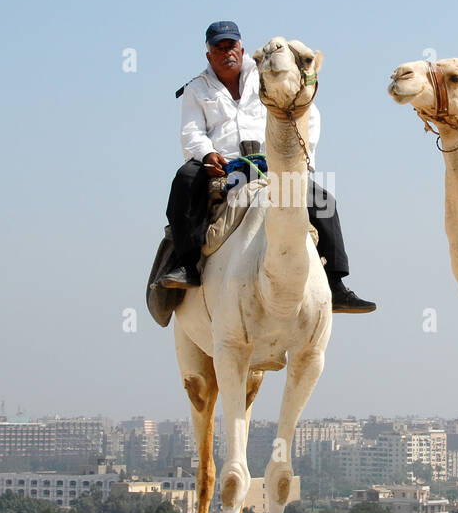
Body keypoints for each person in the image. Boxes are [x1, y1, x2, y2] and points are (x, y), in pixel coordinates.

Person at [158, 20, 376, 313]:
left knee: (324, 199)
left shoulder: (266, 73)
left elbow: (305, 109)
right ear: (209, 55)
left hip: (270, 164)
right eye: (219, 48)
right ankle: (186, 265)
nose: (227, 53)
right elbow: (192, 132)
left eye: (231, 46)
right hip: (222, 165)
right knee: (184, 181)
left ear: (241, 47)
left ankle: (335, 284)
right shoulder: (196, 89)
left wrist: (303, 158)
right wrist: (208, 154)